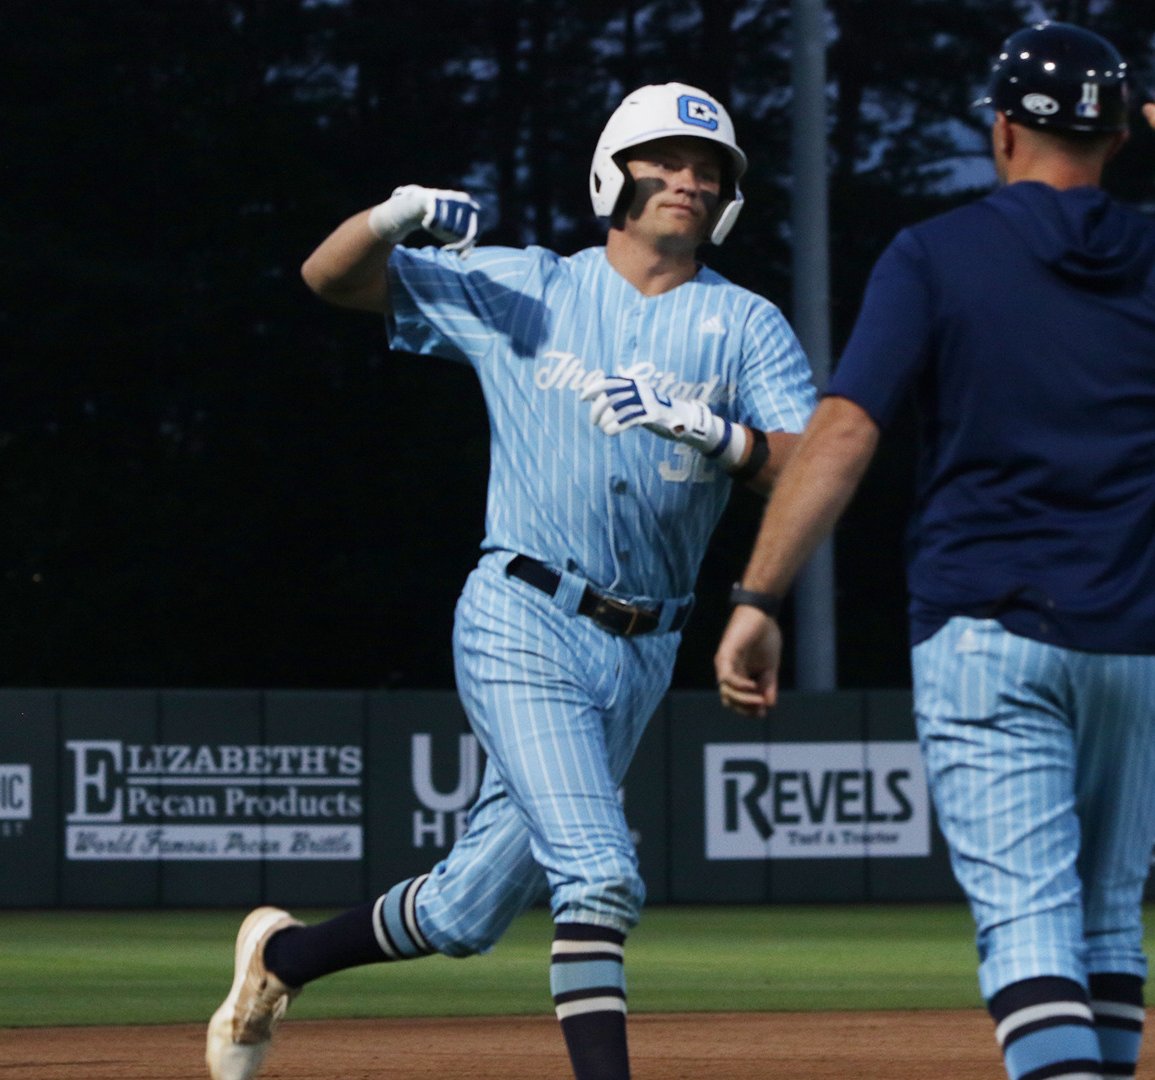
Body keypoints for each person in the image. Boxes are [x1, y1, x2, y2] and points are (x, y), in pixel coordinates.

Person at [714, 22, 1155, 1080]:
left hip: (987, 629)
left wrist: (760, 593)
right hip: (1139, 646)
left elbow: (847, 430)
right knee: (1105, 933)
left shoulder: (936, 254)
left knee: (1032, 934)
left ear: (1003, 131)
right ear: (1118, 139)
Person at [203, 83, 816, 1080]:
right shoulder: (528, 286)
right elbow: (330, 278)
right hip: (525, 612)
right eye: (666, 162)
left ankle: (280, 958)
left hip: (646, 647)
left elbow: (807, 464)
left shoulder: (745, 326)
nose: (691, 182)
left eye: (711, 173)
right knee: (602, 877)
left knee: (464, 911)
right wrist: (389, 218)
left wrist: (720, 432)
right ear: (614, 172)